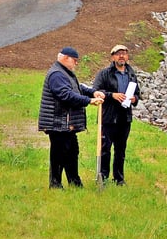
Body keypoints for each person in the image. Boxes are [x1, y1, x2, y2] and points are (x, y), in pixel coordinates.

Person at [38, 47, 104, 189]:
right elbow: (66, 95)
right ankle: (55, 184)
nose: (76, 63)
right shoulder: (57, 74)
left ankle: (74, 182)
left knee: (72, 152)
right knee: (59, 155)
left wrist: (94, 93)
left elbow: (77, 88)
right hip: (58, 123)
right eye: (75, 60)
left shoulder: (65, 74)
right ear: (65, 58)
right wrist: (89, 101)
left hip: (66, 124)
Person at [92, 45, 140, 186]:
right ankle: (103, 178)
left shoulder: (131, 74)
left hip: (125, 117)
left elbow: (138, 94)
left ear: (127, 56)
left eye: (124, 53)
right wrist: (112, 95)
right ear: (112, 57)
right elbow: (95, 91)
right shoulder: (105, 73)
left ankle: (119, 178)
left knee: (121, 149)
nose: (121, 56)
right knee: (105, 148)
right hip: (108, 117)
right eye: (118, 54)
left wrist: (134, 99)